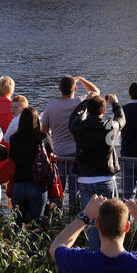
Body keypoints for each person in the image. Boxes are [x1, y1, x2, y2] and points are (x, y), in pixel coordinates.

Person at [69, 93, 125, 247]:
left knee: (91, 219)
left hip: (85, 178)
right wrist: (116, 103)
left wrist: (84, 102)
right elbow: (121, 119)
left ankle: (95, 251)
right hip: (106, 177)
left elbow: (73, 117)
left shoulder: (79, 127)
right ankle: (111, 251)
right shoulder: (109, 126)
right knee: (111, 219)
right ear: (103, 110)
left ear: (88, 109)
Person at [41, 75, 92, 205]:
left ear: (59, 89)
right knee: (75, 189)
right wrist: (81, 80)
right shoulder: (80, 102)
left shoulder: (51, 106)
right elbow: (95, 92)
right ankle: (74, 215)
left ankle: (56, 215)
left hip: (58, 153)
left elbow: (44, 131)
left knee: (58, 188)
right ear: (75, 88)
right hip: (76, 153)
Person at [8, 107, 53, 224]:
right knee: (35, 224)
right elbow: (51, 153)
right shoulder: (43, 138)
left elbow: (12, 156)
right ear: (37, 121)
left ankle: (16, 242)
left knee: (18, 225)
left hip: (18, 184)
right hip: (37, 185)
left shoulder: (14, 139)